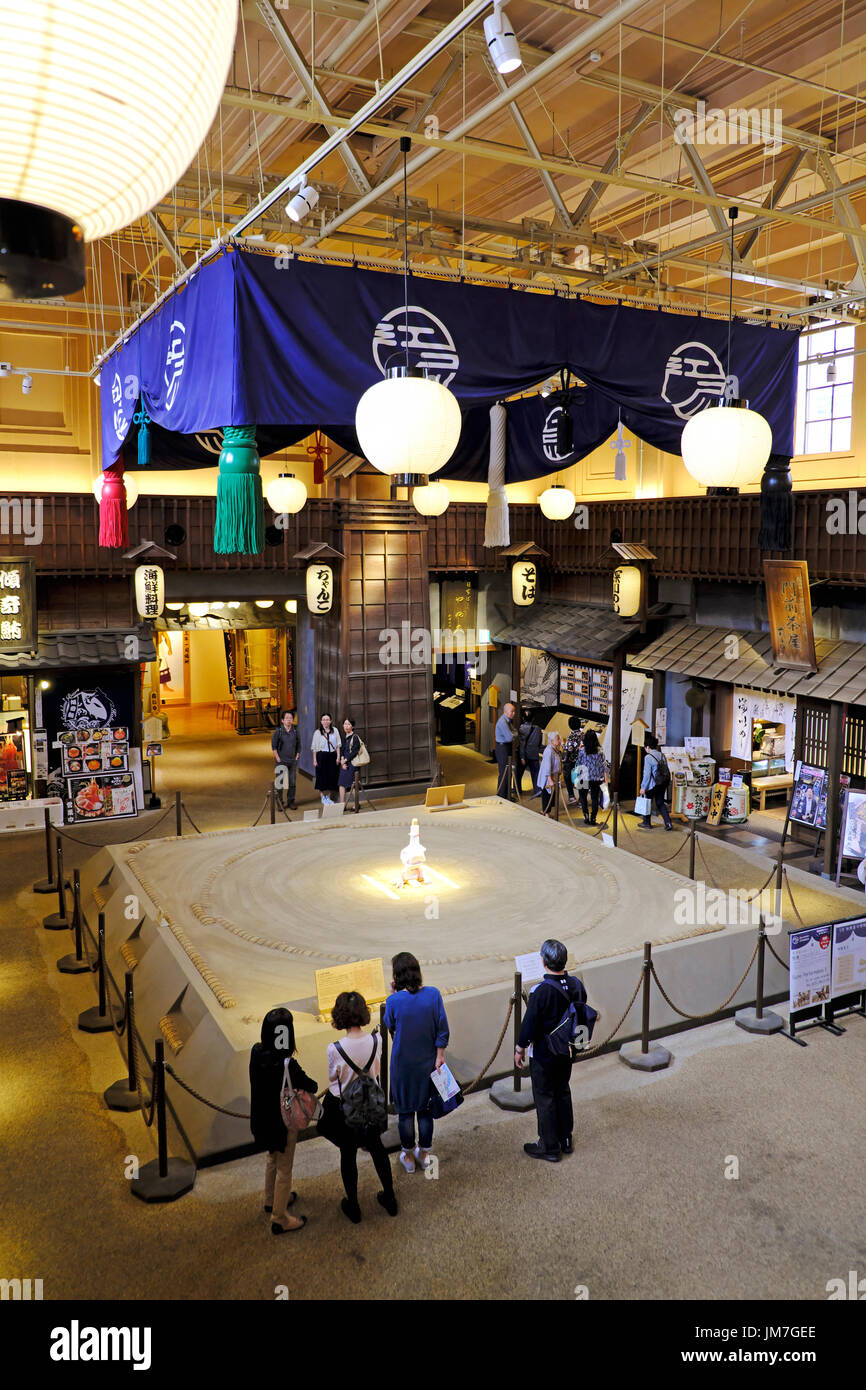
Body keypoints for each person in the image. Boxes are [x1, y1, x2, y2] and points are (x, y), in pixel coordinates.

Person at [317, 991, 398, 1224]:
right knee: (377, 1149)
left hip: (346, 1109)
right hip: (370, 1103)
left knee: (348, 1153)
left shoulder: (334, 1049)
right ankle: (390, 1199)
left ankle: (354, 1206)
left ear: (340, 1016)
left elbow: (334, 1080)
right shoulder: (377, 1040)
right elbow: (376, 1069)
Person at [515, 938, 588, 1162]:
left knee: (545, 1097)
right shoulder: (576, 984)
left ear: (544, 962)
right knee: (563, 1091)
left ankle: (549, 1146)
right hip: (567, 1051)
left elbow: (530, 1024)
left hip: (545, 1054)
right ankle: (566, 1138)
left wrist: (520, 1048)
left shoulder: (540, 991)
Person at [248, 1006, 317, 1234]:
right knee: (284, 1169)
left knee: (271, 1158)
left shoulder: (255, 1053)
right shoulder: (288, 1065)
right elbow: (312, 1086)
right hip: (282, 1123)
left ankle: (271, 1200)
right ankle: (279, 1218)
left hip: (261, 1120)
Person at [383, 952, 449, 1174]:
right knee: (425, 1110)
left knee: (405, 1112)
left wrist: (392, 994)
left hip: (403, 1066)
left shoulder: (393, 1001)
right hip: (428, 1062)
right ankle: (424, 1154)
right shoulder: (433, 995)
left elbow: (390, 1024)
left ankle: (408, 1157)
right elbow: (442, 1029)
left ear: (396, 976)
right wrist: (440, 1055)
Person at [638, 732, 672, 830]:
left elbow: (647, 775)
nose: (645, 749)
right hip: (663, 782)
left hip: (653, 784)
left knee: (647, 801)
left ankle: (646, 822)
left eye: (645, 747)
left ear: (648, 747)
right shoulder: (661, 755)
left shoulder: (648, 757)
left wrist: (643, 787)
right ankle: (668, 823)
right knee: (660, 802)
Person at [574, 729, 607, 825]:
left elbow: (578, 764)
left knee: (583, 797)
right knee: (595, 798)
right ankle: (593, 818)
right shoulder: (600, 751)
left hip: (583, 777)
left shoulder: (582, 751)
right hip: (596, 778)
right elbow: (603, 765)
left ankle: (586, 815)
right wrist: (604, 777)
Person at [270, 709, 299, 810]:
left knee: (292, 782)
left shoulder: (295, 731)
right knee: (279, 783)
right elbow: (273, 746)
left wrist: (297, 756)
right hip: (281, 760)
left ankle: (291, 801)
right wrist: (278, 758)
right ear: (282, 720)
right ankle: (279, 802)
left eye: (290, 718)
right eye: (286, 718)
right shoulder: (279, 732)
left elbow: (299, 745)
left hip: (292, 761)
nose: (289, 720)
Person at [311, 712, 340, 805]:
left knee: (331, 776)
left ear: (331, 721)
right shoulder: (317, 732)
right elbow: (314, 747)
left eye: (327, 719)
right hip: (321, 756)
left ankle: (328, 797)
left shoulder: (335, 730)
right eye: (323, 720)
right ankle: (323, 797)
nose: (325, 721)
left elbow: (338, 745)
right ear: (321, 721)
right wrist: (314, 760)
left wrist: (338, 757)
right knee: (321, 777)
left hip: (332, 756)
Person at [494, 701, 517, 799]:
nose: (514, 713)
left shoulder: (507, 721)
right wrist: (514, 734)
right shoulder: (503, 722)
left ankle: (506, 794)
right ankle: (502, 795)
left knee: (508, 772)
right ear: (506, 712)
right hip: (502, 747)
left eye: (514, 711)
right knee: (504, 772)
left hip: (506, 747)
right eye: (512, 712)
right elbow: (509, 737)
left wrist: (513, 734)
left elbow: (514, 732)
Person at [537, 730, 562, 816]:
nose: (560, 741)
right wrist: (550, 779)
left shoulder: (555, 749)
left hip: (554, 776)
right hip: (547, 777)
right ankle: (546, 813)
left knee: (551, 796)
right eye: (558, 739)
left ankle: (546, 811)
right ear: (552, 741)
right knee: (546, 795)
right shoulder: (549, 751)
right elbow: (547, 766)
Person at [518, 710, 543, 797]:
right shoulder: (538, 729)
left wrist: (522, 757)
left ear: (523, 718)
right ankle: (537, 791)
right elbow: (540, 742)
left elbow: (521, 744)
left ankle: (517, 790)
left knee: (518, 774)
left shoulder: (521, 728)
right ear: (533, 718)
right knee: (536, 774)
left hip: (524, 755)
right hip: (534, 755)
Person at [338, 716, 361, 806]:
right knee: (341, 783)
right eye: (345, 724)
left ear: (353, 726)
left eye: (348, 724)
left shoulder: (355, 737)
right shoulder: (344, 738)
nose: (346, 726)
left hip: (353, 764)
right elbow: (343, 750)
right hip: (345, 764)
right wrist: (342, 760)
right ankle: (342, 804)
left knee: (353, 784)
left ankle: (356, 804)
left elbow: (355, 751)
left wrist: (346, 760)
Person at [562, 716, 583, 803]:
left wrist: (563, 745)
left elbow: (569, 749)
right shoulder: (583, 734)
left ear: (570, 725)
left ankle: (571, 796)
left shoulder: (571, 736)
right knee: (580, 779)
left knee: (567, 777)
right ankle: (582, 800)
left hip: (571, 761)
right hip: (581, 761)